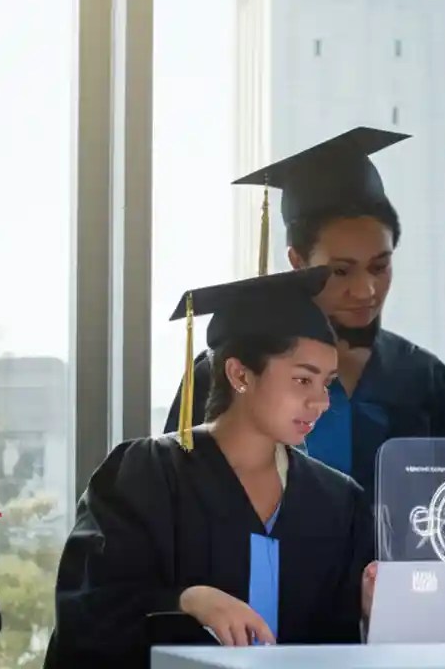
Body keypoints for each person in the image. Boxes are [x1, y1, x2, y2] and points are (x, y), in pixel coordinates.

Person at [48, 268, 374, 667]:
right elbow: (88, 607)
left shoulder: (337, 500)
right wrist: (187, 600)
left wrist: (373, 615)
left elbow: (340, 644)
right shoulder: (145, 475)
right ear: (239, 374)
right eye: (303, 380)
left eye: (327, 382)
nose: (322, 402)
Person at [164, 127, 445, 500]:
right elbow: (179, 499)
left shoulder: (426, 379)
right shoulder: (228, 367)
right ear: (297, 261)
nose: (366, 291)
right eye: (341, 270)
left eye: (380, 266)